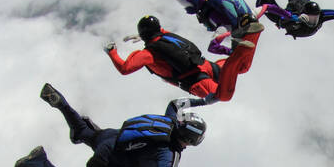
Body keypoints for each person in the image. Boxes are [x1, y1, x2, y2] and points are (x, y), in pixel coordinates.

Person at [13, 83, 221, 167]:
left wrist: (205, 101)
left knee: (83, 134)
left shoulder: (170, 120)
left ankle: (62, 104)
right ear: (189, 140)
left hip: (111, 136)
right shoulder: (168, 152)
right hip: (107, 160)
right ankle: (34, 164)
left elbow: (175, 104)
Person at [104, 14, 261, 104]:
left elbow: (125, 69)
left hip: (198, 82)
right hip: (207, 66)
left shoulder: (148, 54)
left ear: (144, 35)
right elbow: (159, 31)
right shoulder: (165, 36)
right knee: (242, 67)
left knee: (223, 95)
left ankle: (240, 50)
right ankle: (252, 32)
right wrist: (145, 35)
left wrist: (112, 52)